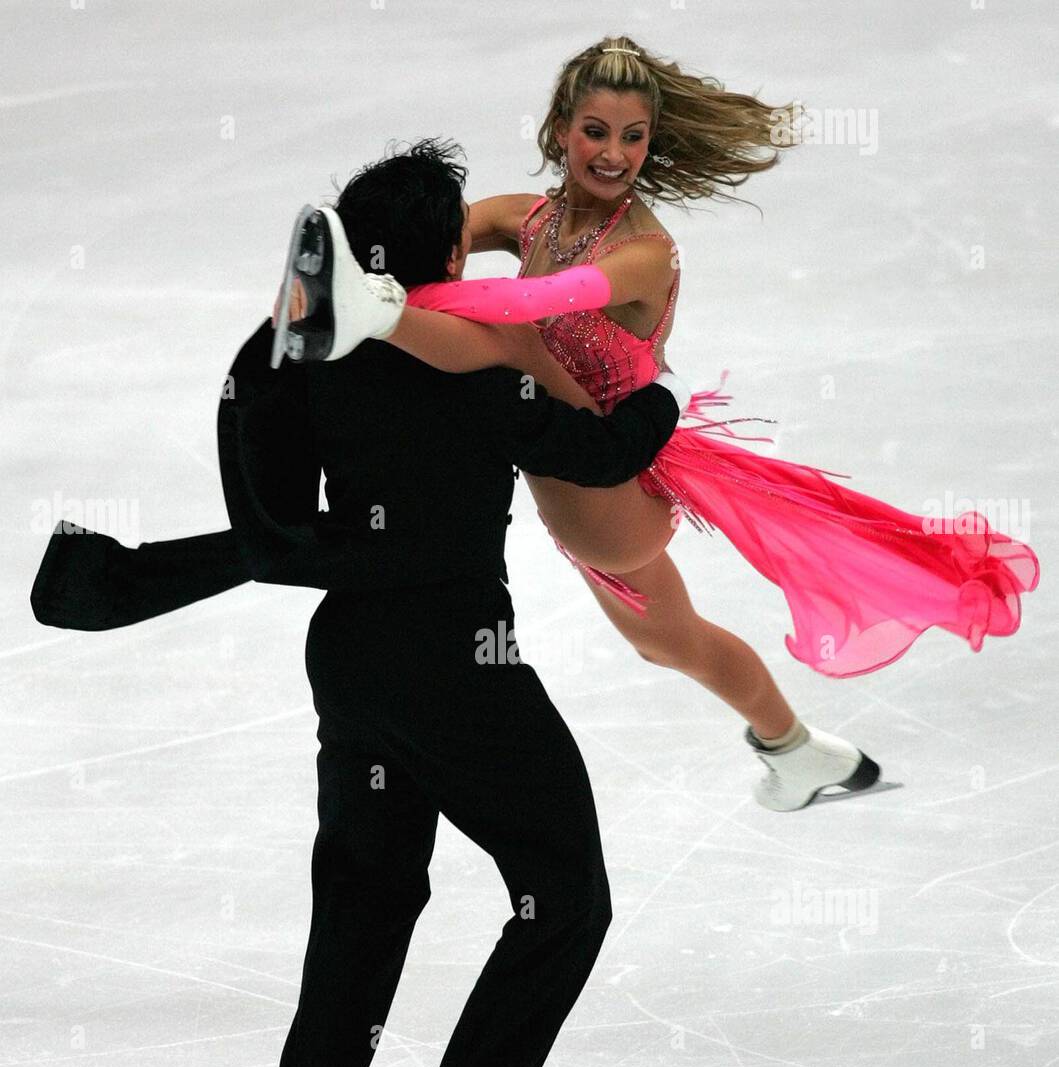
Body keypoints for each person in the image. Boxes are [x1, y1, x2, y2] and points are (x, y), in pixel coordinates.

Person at [143, 138, 690, 1067]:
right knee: (564, 897)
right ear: (444, 254)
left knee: (364, 897)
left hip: (349, 655)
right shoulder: (476, 358)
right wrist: (659, 400)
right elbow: (596, 454)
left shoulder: (295, 353)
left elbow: (269, 503)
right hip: (459, 660)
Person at [276, 36, 1038, 813]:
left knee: (511, 343)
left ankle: (365, 316)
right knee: (666, 641)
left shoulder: (645, 253)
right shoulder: (525, 217)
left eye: (632, 136)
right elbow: (422, 243)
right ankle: (797, 749)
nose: (613, 154)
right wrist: (361, 254)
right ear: (560, 130)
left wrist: (380, 301)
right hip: (585, 479)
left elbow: (523, 307)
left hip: (606, 482)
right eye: (596, 132)